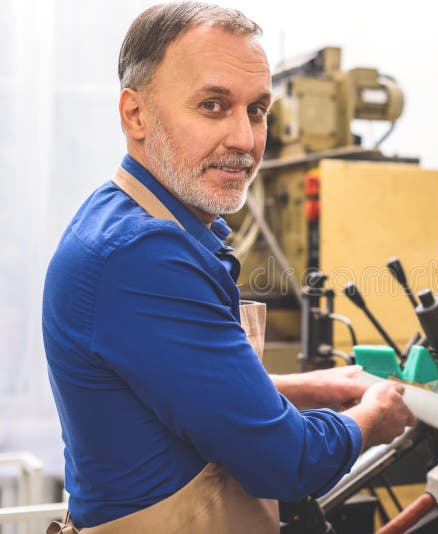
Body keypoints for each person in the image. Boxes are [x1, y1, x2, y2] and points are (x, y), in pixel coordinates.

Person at [42, 3, 414, 532]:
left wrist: (313, 387)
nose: (245, 140)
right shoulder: (142, 253)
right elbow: (289, 463)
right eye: (213, 105)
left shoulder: (129, 220)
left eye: (257, 110)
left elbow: (186, 393)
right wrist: (373, 417)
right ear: (136, 114)